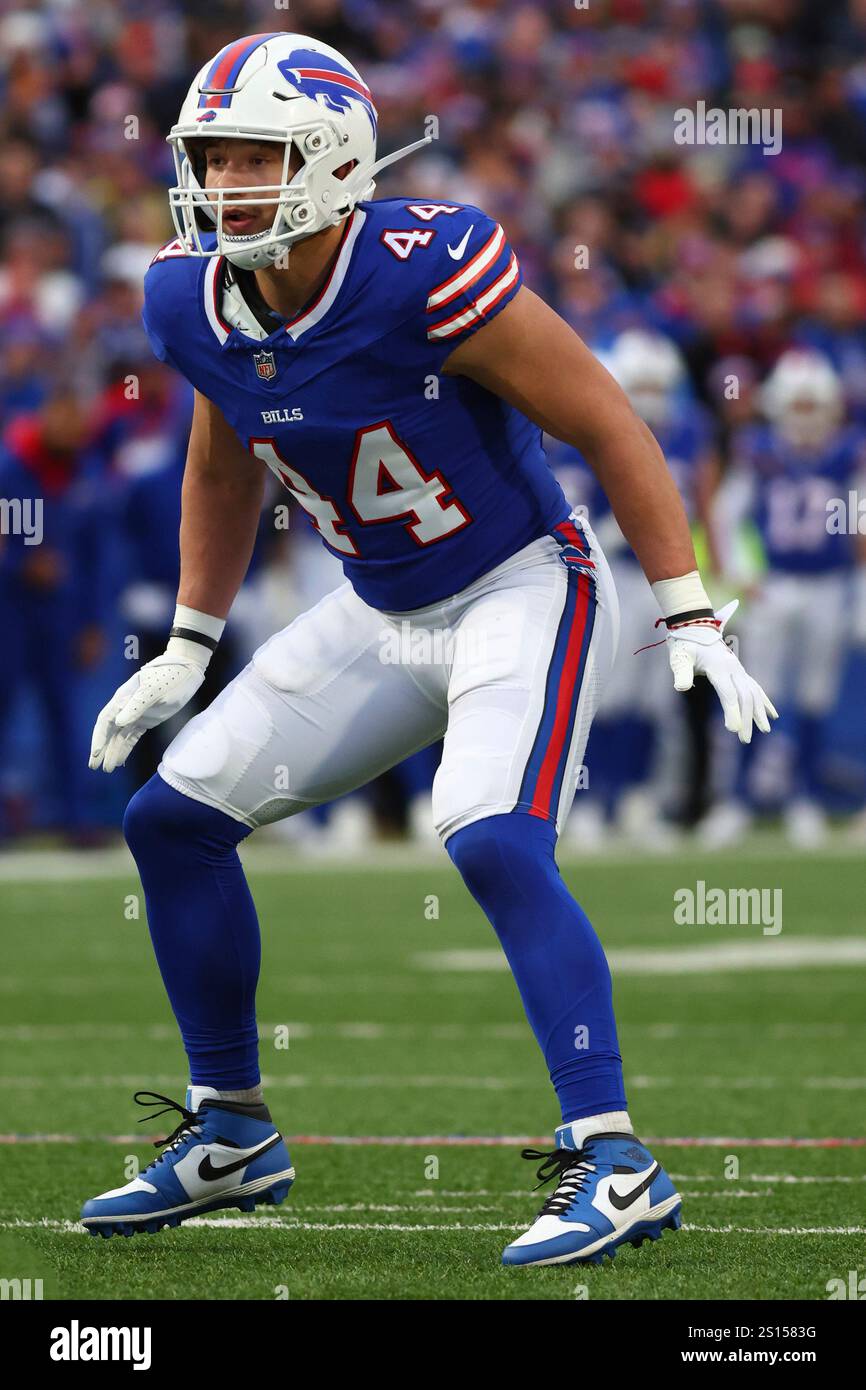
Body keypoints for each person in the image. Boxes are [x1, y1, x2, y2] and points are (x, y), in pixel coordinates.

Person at [82, 33, 776, 1265]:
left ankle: (615, 1159)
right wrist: (192, 640)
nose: (229, 182)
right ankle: (233, 1130)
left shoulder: (421, 267)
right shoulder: (187, 293)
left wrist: (685, 606)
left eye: (259, 155)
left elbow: (604, 416)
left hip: (521, 579)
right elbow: (219, 452)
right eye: (213, 156)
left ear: (337, 160)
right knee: (170, 821)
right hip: (376, 603)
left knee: (491, 830)